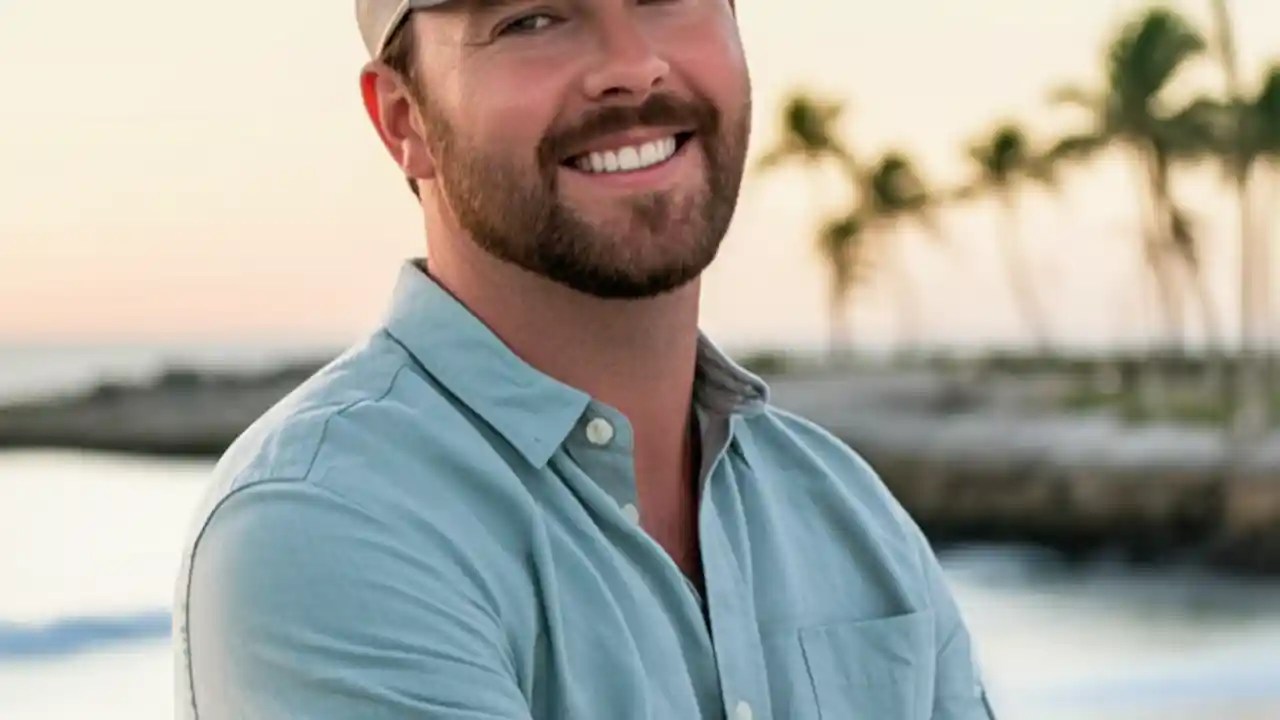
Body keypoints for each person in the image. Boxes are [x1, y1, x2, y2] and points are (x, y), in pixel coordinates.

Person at [174, 1, 997, 718]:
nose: (632, 68)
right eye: (530, 19)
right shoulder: (324, 524)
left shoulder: (846, 513)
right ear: (405, 120)